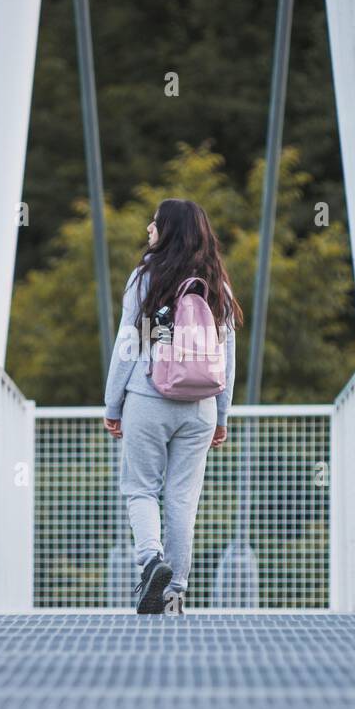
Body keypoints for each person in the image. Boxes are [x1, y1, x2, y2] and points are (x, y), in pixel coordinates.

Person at [102, 198, 243, 615]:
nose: (149, 227)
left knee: (141, 487)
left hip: (149, 397)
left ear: (169, 231)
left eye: (155, 222)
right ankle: (173, 594)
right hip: (200, 405)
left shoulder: (146, 277)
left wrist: (113, 403)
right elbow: (227, 354)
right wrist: (221, 413)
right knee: (183, 498)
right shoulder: (218, 283)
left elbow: (127, 344)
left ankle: (150, 561)